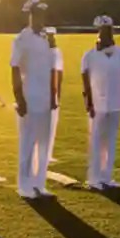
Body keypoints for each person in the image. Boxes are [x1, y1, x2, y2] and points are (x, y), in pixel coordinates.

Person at [10, 0, 57, 199]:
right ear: (30, 15)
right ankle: (25, 185)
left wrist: (53, 96)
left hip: (45, 97)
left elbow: (51, 68)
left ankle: (40, 184)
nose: (41, 18)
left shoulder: (46, 39)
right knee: (27, 143)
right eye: (37, 14)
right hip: (29, 96)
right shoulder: (22, 38)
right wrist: (19, 98)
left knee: (44, 143)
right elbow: (14, 68)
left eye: (43, 14)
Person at [81, 15, 120, 190]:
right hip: (97, 104)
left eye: (110, 31)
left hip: (115, 102)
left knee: (111, 141)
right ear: (99, 33)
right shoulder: (90, 55)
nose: (107, 35)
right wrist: (89, 102)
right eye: (104, 31)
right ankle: (94, 178)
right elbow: (85, 80)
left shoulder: (119, 53)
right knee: (96, 141)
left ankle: (107, 176)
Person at [46, 26, 65, 162]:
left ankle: (48, 154)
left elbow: (60, 73)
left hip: (54, 91)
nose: (51, 40)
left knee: (52, 125)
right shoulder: (45, 53)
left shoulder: (57, 52)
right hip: (45, 92)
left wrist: (58, 93)